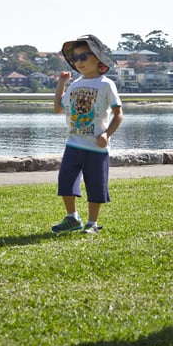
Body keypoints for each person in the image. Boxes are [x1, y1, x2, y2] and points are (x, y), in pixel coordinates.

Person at [51, 35, 123, 235]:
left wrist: (107, 135)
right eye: (75, 58)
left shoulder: (106, 84)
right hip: (73, 144)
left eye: (84, 56)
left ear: (97, 59)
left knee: (96, 185)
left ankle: (92, 223)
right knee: (65, 182)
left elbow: (119, 115)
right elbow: (58, 109)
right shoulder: (75, 84)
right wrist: (61, 83)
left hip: (96, 147)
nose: (78, 62)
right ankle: (72, 217)